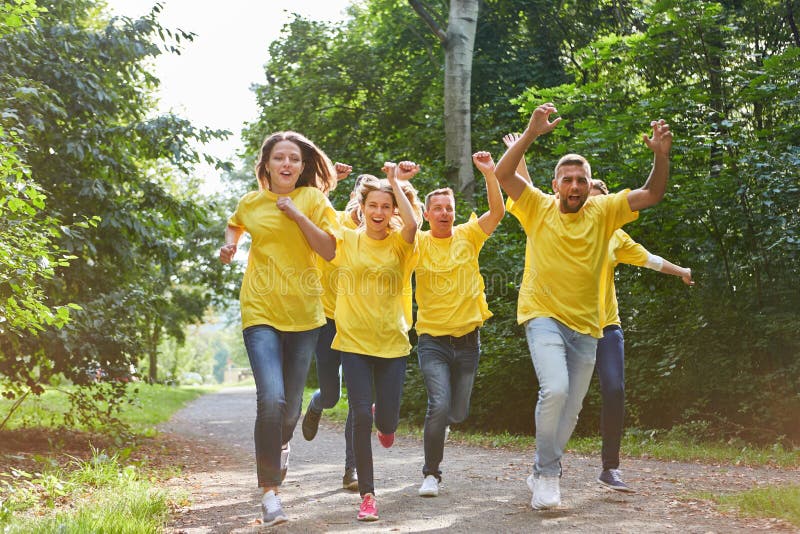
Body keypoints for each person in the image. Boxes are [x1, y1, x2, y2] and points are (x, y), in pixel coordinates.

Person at [493, 102, 673, 510]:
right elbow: (504, 175)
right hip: (542, 316)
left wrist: (660, 157)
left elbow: (653, 193)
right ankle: (548, 474)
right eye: (567, 180)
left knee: (571, 410)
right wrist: (530, 134)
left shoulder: (603, 210)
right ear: (555, 184)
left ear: (589, 183)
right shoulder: (536, 206)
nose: (574, 186)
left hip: (589, 326)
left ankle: (541, 466)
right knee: (554, 389)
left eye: (581, 180)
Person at [219, 131, 338, 527]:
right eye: (278, 158)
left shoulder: (314, 200)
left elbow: (329, 249)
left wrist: (297, 215)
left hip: (305, 315)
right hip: (260, 311)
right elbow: (235, 223)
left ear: (303, 167)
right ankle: (270, 493)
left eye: (294, 159)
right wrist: (230, 244)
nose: (286, 164)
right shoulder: (250, 202)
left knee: (287, 410)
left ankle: (283, 442)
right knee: (270, 399)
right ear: (266, 164)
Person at [589, 179, 693, 492]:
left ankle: (610, 468)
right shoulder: (565, 230)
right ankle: (547, 465)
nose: (593, 208)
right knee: (561, 395)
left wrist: (682, 272)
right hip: (571, 327)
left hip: (607, 326)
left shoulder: (615, 237)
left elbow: (650, 259)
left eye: (599, 203)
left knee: (615, 390)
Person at [331, 161, 422, 521]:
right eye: (373, 205)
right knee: (358, 416)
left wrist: (394, 182)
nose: (380, 212)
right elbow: (320, 222)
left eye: (386, 206)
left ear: (393, 210)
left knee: (386, 421)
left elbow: (414, 224)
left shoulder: (402, 246)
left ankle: (384, 423)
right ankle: (367, 495)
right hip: (352, 341)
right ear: (363, 209)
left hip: (392, 343)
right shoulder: (348, 238)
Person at [414, 151, 505, 497]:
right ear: (426, 214)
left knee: (458, 412)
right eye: (437, 208)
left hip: (468, 340)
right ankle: (431, 474)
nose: (444, 213)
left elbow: (497, 212)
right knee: (438, 406)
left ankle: (441, 429)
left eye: (448, 207)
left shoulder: (469, 235)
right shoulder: (418, 242)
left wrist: (490, 174)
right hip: (432, 340)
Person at [301, 167, 362, 492]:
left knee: (357, 398)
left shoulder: (379, 233)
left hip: (358, 323)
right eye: (360, 195)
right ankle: (317, 403)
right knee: (333, 394)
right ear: (354, 198)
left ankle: (351, 469)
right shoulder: (334, 220)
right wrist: (328, 180)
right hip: (326, 320)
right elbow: (312, 206)